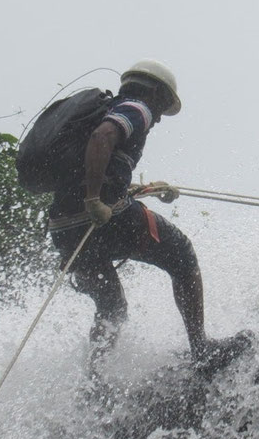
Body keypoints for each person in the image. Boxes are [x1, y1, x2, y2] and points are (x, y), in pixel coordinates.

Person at [47, 59, 248, 372]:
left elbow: (100, 167)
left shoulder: (97, 114)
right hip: (103, 219)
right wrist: (94, 200)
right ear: (155, 92)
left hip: (65, 231)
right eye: (164, 105)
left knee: (112, 306)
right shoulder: (137, 108)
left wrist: (148, 189)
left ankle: (93, 382)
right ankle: (201, 350)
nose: (160, 119)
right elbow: (102, 139)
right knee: (181, 254)